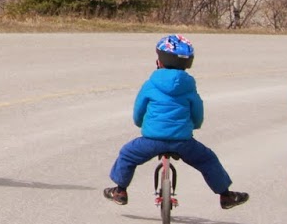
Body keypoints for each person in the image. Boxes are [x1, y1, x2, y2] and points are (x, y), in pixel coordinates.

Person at [103, 35, 249, 209]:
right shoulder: (188, 86)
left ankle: (120, 191)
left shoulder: (150, 84)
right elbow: (197, 111)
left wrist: (140, 122)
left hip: (152, 140)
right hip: (183, 142)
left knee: (127, 155)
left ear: (160, 61)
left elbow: (139, 110)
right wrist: (194, 125)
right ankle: (225, 196)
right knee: (208, 160)